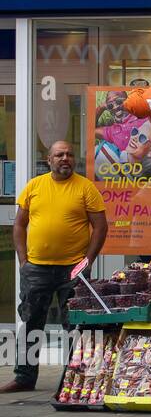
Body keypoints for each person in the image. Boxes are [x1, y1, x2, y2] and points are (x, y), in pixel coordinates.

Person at [3, 142, 108, 393]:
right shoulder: (34, 186)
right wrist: (23, 261)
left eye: (69, 154)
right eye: (59, 155)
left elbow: (101, 227)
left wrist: (87, 261)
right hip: (36, 268)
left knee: (75, 324)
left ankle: (76, 379)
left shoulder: (86, 188)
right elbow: (19, 225)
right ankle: (24, 378)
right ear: (48, 160)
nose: (65, 158)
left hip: (73, 269)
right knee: (31, 322)